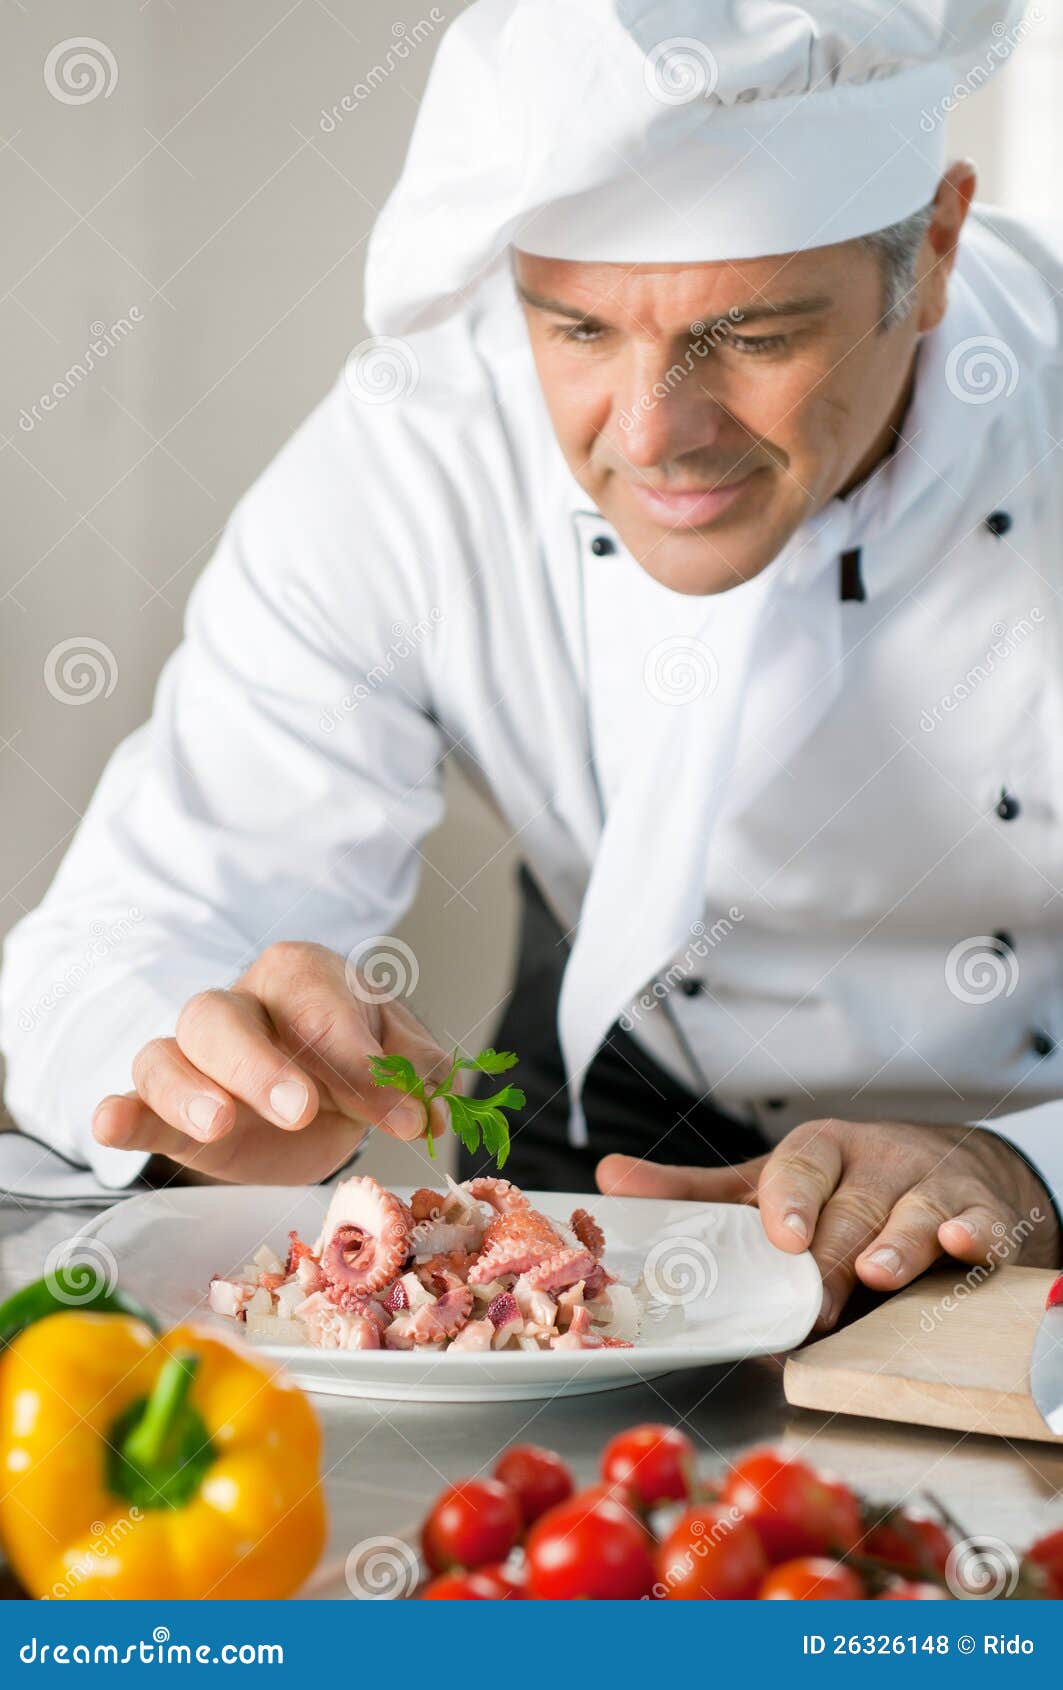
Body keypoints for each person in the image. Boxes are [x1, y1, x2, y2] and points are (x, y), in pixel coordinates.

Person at [3, 1, 1061, 1333]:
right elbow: (105, 940)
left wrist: (1025, 1171)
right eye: (575, 330)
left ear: (940, 250)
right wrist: (205, 1083)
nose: (656, 432)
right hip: (628, 1141)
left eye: (751, 335)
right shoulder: (419, 455)